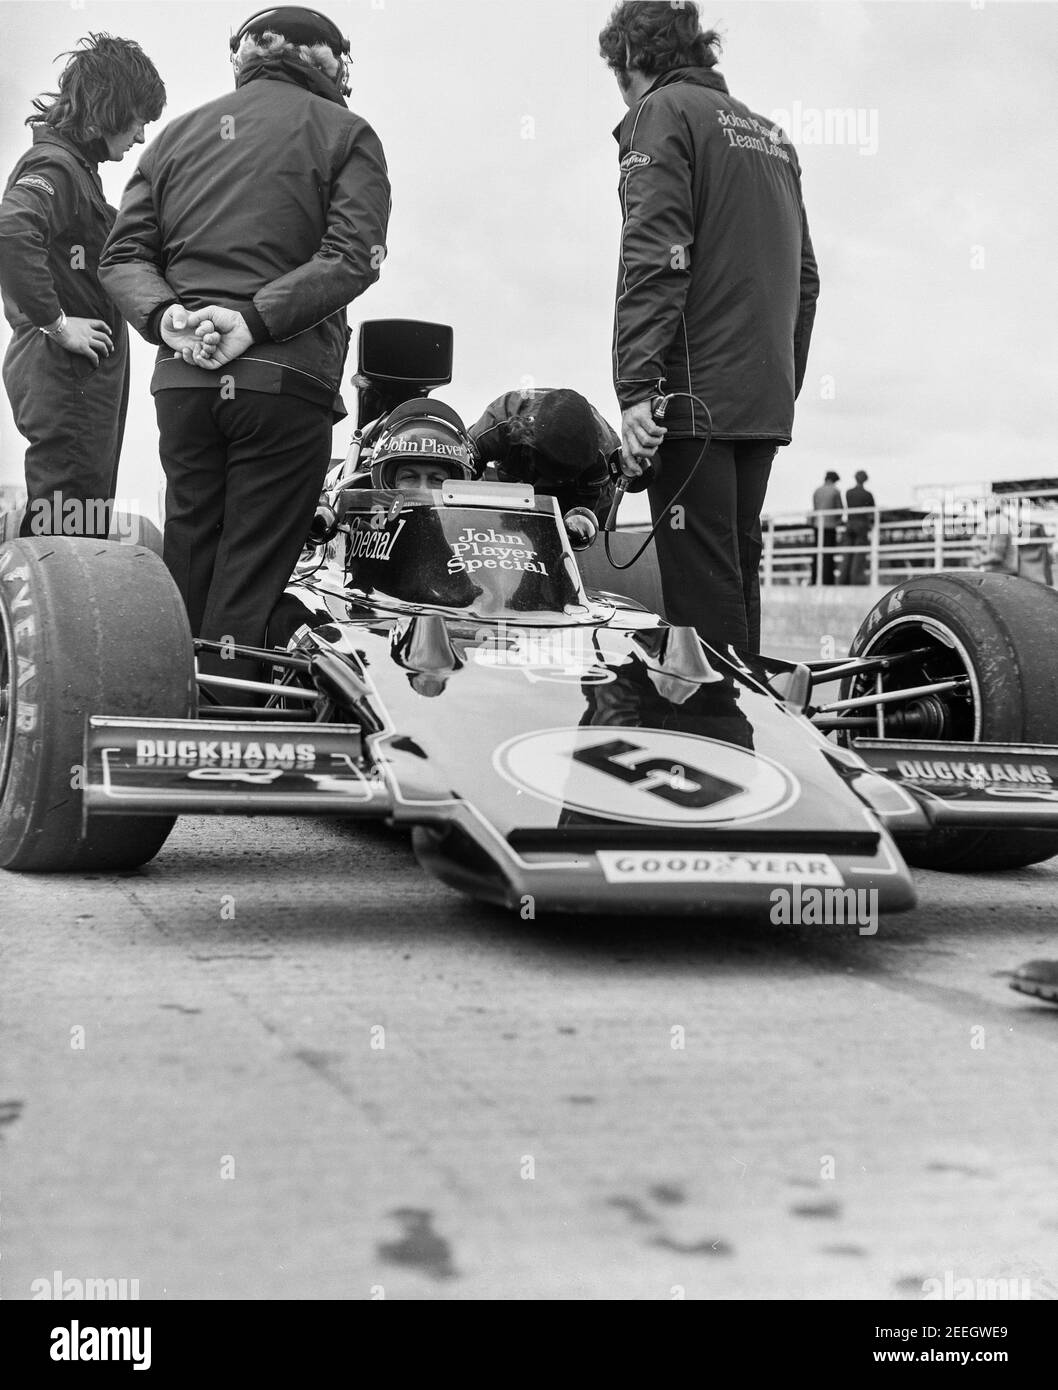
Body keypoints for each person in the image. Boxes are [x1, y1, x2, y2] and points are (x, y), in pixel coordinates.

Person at [99, 6, 390, 690]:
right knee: (250, 571)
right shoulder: (348, 132)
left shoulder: (173, 139)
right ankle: (227, 735)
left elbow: (121, 258)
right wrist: (254, 321)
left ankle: (163, 722)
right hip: (280, 384)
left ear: (245, 58)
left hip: (184, 384)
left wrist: (169, 316)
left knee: (191, 552)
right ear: (331, 63)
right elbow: (356, 256)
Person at [599, 2, 819, 654]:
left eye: (618, 74)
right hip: (760, 399)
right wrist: (780, 385)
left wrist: (637, 389)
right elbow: (805, 282)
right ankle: (753, 741)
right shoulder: (774, 137)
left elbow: (656, 256)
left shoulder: (662, 116)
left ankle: (717, 737)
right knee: (735, 585)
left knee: (702, 615)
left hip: (689, 402)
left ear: (633, 60)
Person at [0, 34, 165, 539]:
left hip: (76, 378)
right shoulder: (56, 166)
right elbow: (10, 230)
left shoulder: (80, 172)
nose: (139, 136)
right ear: (108, 108)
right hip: (63, 370)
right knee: (66, 526)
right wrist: (56, 324)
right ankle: (43, 617)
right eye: (138, 118)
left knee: (80, 516)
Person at [469, 388, 619, 550]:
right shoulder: (498, 423)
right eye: (553, 474)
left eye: (560, 476)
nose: (555, 480)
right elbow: (461, 471)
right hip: (515, 475)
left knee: (587, 547)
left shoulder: (603, 456)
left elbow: (584, 517)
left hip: (576, 491)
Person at [841, 469, 874, 585]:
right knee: (859, 555)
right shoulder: (867, 494)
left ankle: (843, 579)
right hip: (861, 525)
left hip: (850, 524)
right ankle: (856, 579)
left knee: (847, 554)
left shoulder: (848, 492)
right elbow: (872, 512)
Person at [810, 471, 842, 585]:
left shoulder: (817, 491)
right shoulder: (835, 491)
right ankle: (827, 581)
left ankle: (814, 579)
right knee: (828, 555)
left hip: (817, 525)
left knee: (817, 554)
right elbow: (839, 510)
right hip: (830, 526)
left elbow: (815, 507)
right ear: (834, 480)